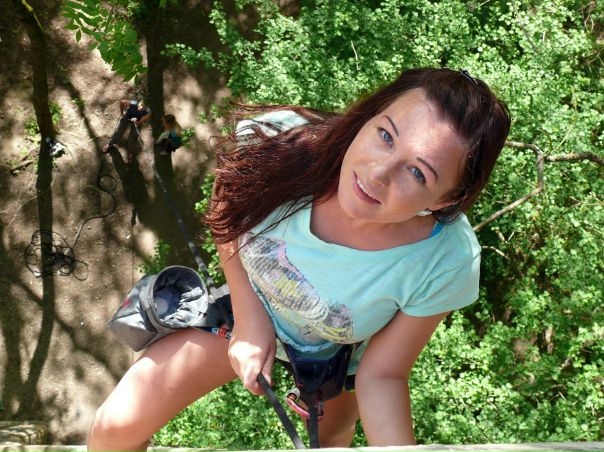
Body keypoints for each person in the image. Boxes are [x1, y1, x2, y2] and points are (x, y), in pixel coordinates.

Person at [88, 67, 511, 451]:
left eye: (417, 173)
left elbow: (383, 374)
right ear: (368, 116)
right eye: (385, 135)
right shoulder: (277, 142)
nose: (378, 173)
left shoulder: (444, 260)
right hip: (246, 305)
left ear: (447, 199)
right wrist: (250, 320)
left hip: (336, 357)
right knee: (114, 428)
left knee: (332, 444)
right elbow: (227, 208)